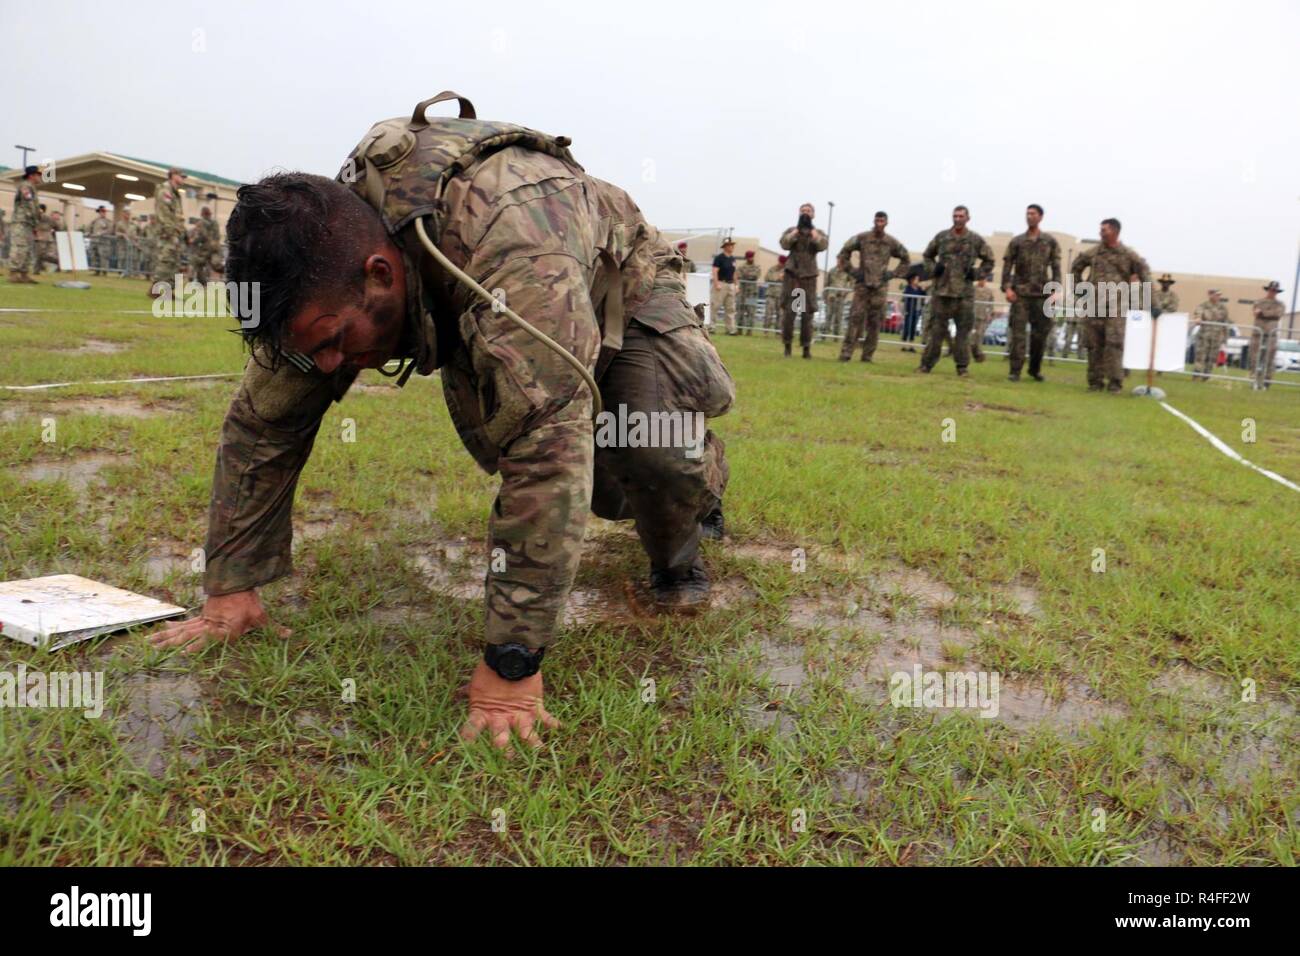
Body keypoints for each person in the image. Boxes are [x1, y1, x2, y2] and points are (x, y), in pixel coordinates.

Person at [148, 94, 735, 753]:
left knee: (649, 453)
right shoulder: (324, 257)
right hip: (489, 286)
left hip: (620, 280)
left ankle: (691, 520)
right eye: (313, 349)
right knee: (598, 482)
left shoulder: (513, 245)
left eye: (334, 341)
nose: (330, 365)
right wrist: (230, 587)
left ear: (379, 274)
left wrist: (510, 668)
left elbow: (545, 453)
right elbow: (264, 425)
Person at [1069, 218, 1150, 392]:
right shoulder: (1094, 253)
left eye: (1104, 230)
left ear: (1115, 231)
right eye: (1101, 230)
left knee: (1114, 345)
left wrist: (1150, 302)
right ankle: (1095, 382)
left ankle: (1114, 384)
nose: (1101, 233)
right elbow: (1075, 267)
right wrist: (1079, 289)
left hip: (1117, 308)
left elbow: (1145, 274)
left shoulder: (1128, 254)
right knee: (1093, 345)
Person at [918, 205, 994, 376]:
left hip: (963, 295)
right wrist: (934, 269)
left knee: (963, 333)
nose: (957, 219)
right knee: (936, 332)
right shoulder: (942, 237)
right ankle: (926, 365)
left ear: (968, 218)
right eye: (955, 216)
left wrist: (976, 274)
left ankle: (962, 367)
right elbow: (927, 256)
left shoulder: (975, 240)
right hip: (942, 292)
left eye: (961, 216)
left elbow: (989, 260)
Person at [836, 211, 910, 362]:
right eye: (877, 220)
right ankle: (846, 353)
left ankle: (867, 355)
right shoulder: (862, 238)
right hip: (863, 285)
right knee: (855, 319)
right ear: (873, 221)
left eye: (882, 220)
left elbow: (905, 259)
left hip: (880, 287)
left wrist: (893, 274)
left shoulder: (891, 242)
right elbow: (844, 252)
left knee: (875, 322)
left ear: (886, 222)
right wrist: (852, 271)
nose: (879, 223)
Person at [1000, 203, 1062, 382]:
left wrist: (1056, 290)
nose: (1029, 217)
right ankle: (1015, 371)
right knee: (1018, 334)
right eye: (1027, 214)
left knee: (1040, 336)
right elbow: (1007, 267)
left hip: (1042, 295)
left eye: (1033, 214)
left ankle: (1034, 370)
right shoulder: (1017, 242)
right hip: (1020, 295)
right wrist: (1007, 288)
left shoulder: (1049, 241)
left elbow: (1056, 267)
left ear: (1040, 217)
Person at [779, 203, 828, 358]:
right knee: (790, 312)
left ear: (813, 215)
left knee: (807, 314)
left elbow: (822, 246)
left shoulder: (818, 233)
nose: (805, 213)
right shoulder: (791, 231)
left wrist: (813, 234)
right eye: (803, 211)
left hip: (809, 277)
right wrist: (795, 232)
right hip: (792, 277)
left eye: (808, 211)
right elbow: (784, 244)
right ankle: (787, 346)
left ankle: (806, 348)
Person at [151, 167, 187, 294]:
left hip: (175, 232)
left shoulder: (175, 193)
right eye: (181, 176)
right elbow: (163, 213)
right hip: (167, 232)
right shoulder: (165, 191)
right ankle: (155, 289)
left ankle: (168, 290)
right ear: (173, 175)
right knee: (166, 259)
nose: (183, 179)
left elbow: (177, 215)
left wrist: (181, 231)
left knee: (174, 262)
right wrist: (169, 230)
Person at [7, 166, 42, 283]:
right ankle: (13, 273)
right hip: (21, 222)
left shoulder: (31, 187)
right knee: (19, 247)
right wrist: (36, 219)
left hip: (28, 223)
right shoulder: (25, 186)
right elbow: (29, 204)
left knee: (27, 248)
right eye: (38, 175)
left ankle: (23, 274)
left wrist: (35, 223)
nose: (40, 177)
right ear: (31, 176)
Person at [1251, 281, 1286, 390]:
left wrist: (1263, 313)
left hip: (1271, 334)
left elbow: (1277, 315)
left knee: (1269, 358)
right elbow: (1255, 313)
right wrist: (1265, 313)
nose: (1273, 292)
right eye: (1271, 290)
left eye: (1275, 290)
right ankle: (1254, 380)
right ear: (1268, 290)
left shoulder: (1280, 304)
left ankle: (1266, 381)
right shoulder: (1259, 302)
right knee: (1255, 357)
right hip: (1258, 333)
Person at [1190, 288, 1229, 381]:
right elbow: (1198, 313)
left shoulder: (1223, 308)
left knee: (1211, 357)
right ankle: (1196, 375)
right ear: (1210, 295)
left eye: (1219, 295)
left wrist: (1225, 339)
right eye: (1216, 295)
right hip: (1204, 335)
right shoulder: (1204, 305)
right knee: (1200, 356)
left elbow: (1225, 323)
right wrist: (1198, 318)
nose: (1218, 297)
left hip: (1216, 337)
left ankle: (1206, 376)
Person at [711, 238, 739, 334]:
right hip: (721, 283)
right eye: (730, 245)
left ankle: (730, 329)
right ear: (725, 247)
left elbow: (734, 273)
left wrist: (736, 285)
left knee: (730, 308)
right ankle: (711, 327)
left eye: (732, 245)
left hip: (730, 284)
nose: (732, 247)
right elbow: (715, 271)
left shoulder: (733, 259)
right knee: (715, 306)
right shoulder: (719, 258)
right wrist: (716, 283)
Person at [190, 206, 221, 283]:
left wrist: (193, 241)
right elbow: (217, 236)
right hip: (215, 248)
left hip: (205, 248)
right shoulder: (215, 223)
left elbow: (199, 237)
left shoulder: (200, 223)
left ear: (202, 214)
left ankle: (200, 280)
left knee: (198, 263)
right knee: (217, 265)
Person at [735, 250, 760, 335]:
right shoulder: (741, 267)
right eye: (749, 257)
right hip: (742, 293)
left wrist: (746, 275)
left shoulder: (757, 267)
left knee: (751, 311)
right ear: (746, 258)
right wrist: (749, 275)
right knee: (740, 311)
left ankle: (749, 330)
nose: (751, 258)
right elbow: (739, 275)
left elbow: (756, 276)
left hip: (752, 293)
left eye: (752, 257)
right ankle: (739, 329)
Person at [970, 283, 997, 363]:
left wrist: (990, 314)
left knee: (979, 335)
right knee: (970, 336)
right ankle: (971, 354)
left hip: (982, 317)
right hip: (972, 316)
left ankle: (978, 355)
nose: (982, 281)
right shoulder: (972, 289)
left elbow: (991, 304)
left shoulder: (988, 291)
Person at [823, 267, 852, 338]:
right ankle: (824, 334)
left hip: (840, 297)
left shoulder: (847, 272)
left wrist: (846, 292)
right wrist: (825, 296)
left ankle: (836, 336)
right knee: (828, 316)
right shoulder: (832, 270)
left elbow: (852, 282)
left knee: (838, 317)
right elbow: (826, 283)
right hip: (831, 296)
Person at [900, 273, 925, 352]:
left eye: (918, 279)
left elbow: (923, 295)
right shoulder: (908, 288)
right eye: (916, 279)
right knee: (907, 327)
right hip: (909, 310)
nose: (918, 281)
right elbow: (905, 297)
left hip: (916, 310)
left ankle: (911, 345)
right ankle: (904, 344)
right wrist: (905, 310)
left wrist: (923, 290)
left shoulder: (919, 288)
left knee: (913, 328)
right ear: (912, 280)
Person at [85, 205, 113, 275]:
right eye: (100, 211)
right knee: (94, 255)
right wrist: (88, 233)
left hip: (103, 242)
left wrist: (102, 233)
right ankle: (96, 270)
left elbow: (110, 230)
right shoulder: (94, 221)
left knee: (103, 256)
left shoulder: (108, 221)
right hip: (94, 241)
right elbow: (89, 228)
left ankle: (104, 271)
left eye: (103, 211)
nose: (102, 213)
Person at [763, 256, 786, 332]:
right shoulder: (772, 269)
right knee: (768, 313)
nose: (782, 264)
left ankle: (778, 331)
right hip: (771, 294)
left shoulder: (787, 270)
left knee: (781, 314)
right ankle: (766, 330)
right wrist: (778, 277)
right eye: (781, 262)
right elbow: (767, 278)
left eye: (783, 263)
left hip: (782, 295)